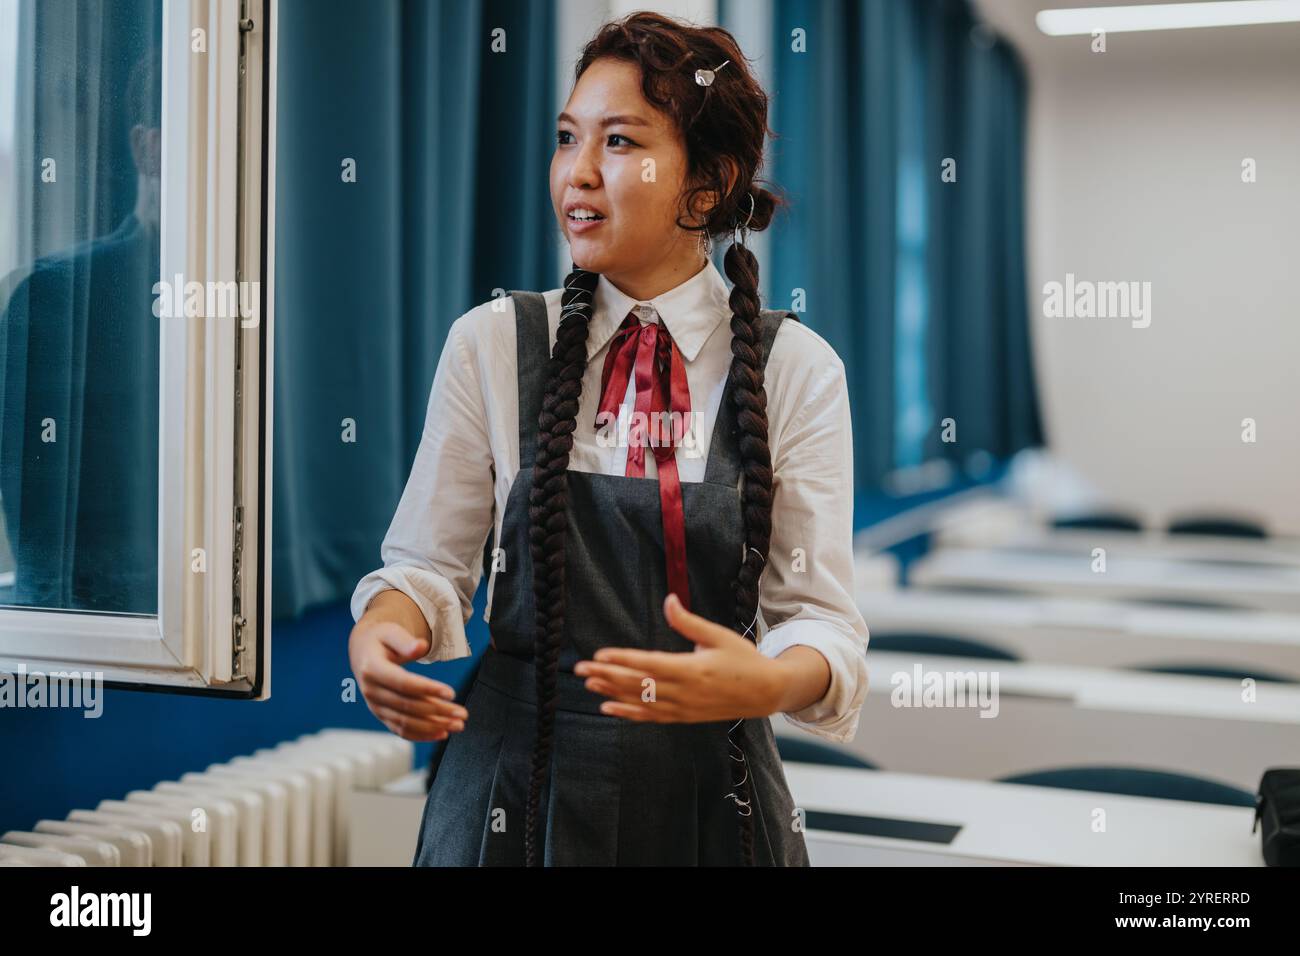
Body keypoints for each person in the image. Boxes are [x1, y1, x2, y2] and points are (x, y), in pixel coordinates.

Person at [348, 11, 869, 867]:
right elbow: (425, 567)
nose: (576, 173)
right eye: (565, 138)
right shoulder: (490, 342)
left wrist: (769, 680)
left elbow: (819, 621)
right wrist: (380, 634)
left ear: (706, 187)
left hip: (710, 799)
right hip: (509, 790)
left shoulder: (795, 370)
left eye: (620, 142)